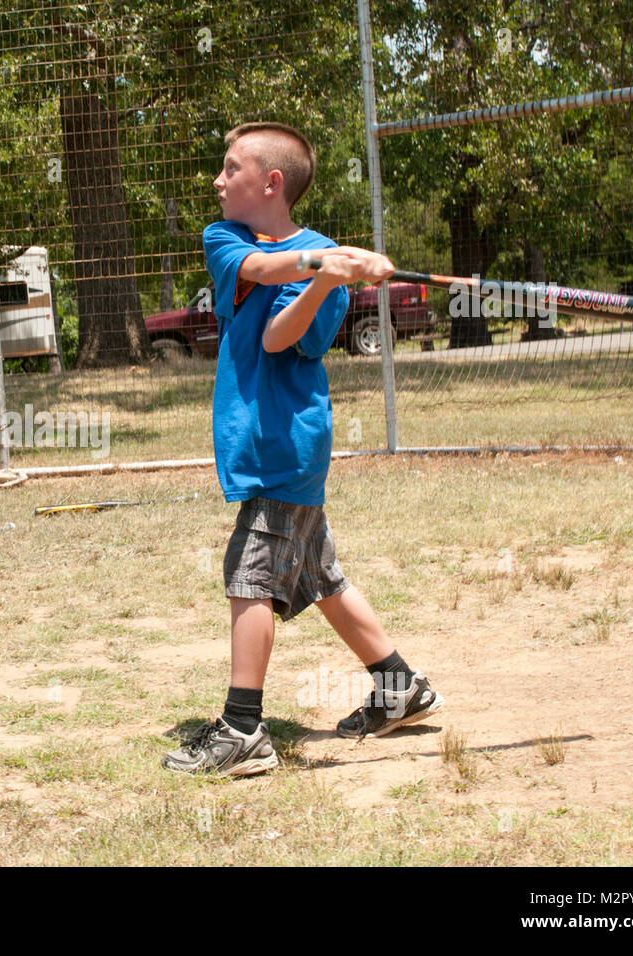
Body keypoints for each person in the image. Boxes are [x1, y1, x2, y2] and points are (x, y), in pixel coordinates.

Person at [162, 121, 444, 776]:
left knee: (251, 572)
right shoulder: (226, 238)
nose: (217, 178)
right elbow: (260, 271)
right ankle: (400, 687)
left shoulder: (324, 259)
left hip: (287, 439)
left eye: (230, 168)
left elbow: (282, 340)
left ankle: (242, 730)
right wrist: (324, 265)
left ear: (271, 182)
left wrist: (327, 278)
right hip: (255, 437)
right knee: (317, 572)